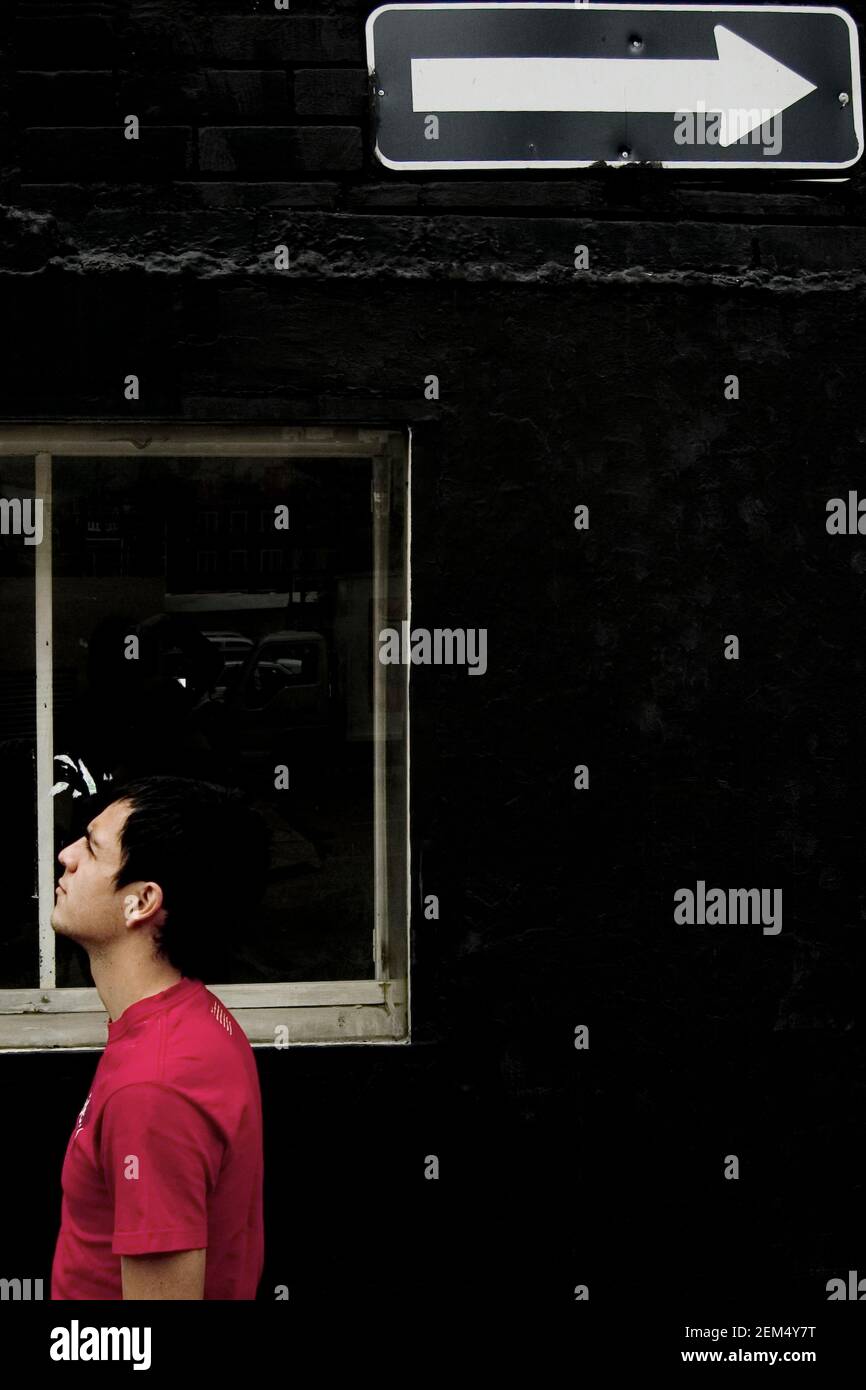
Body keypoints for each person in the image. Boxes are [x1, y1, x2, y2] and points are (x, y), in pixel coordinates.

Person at [49, 775, 270, 1301]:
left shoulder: (154, 1087)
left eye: (92, 849)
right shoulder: (190, 1016)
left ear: (142, 901)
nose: (67, 855)